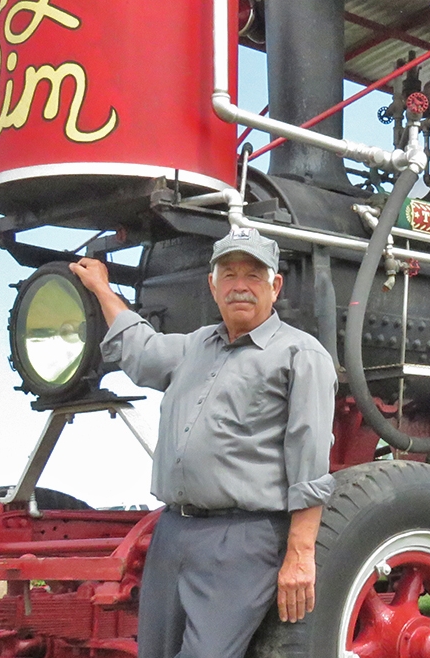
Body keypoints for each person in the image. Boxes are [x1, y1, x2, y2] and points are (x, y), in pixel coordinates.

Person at [69, 227, 337, 658]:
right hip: (173, 530)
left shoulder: (300, 356)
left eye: (253, 275)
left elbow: (310, 464)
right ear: (213, 286)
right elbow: (139, 348)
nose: (240, 286)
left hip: (243, 538)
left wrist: (300, 554)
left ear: (276, 285)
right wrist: (102, 287)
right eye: (228, 275)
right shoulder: (194, 346)